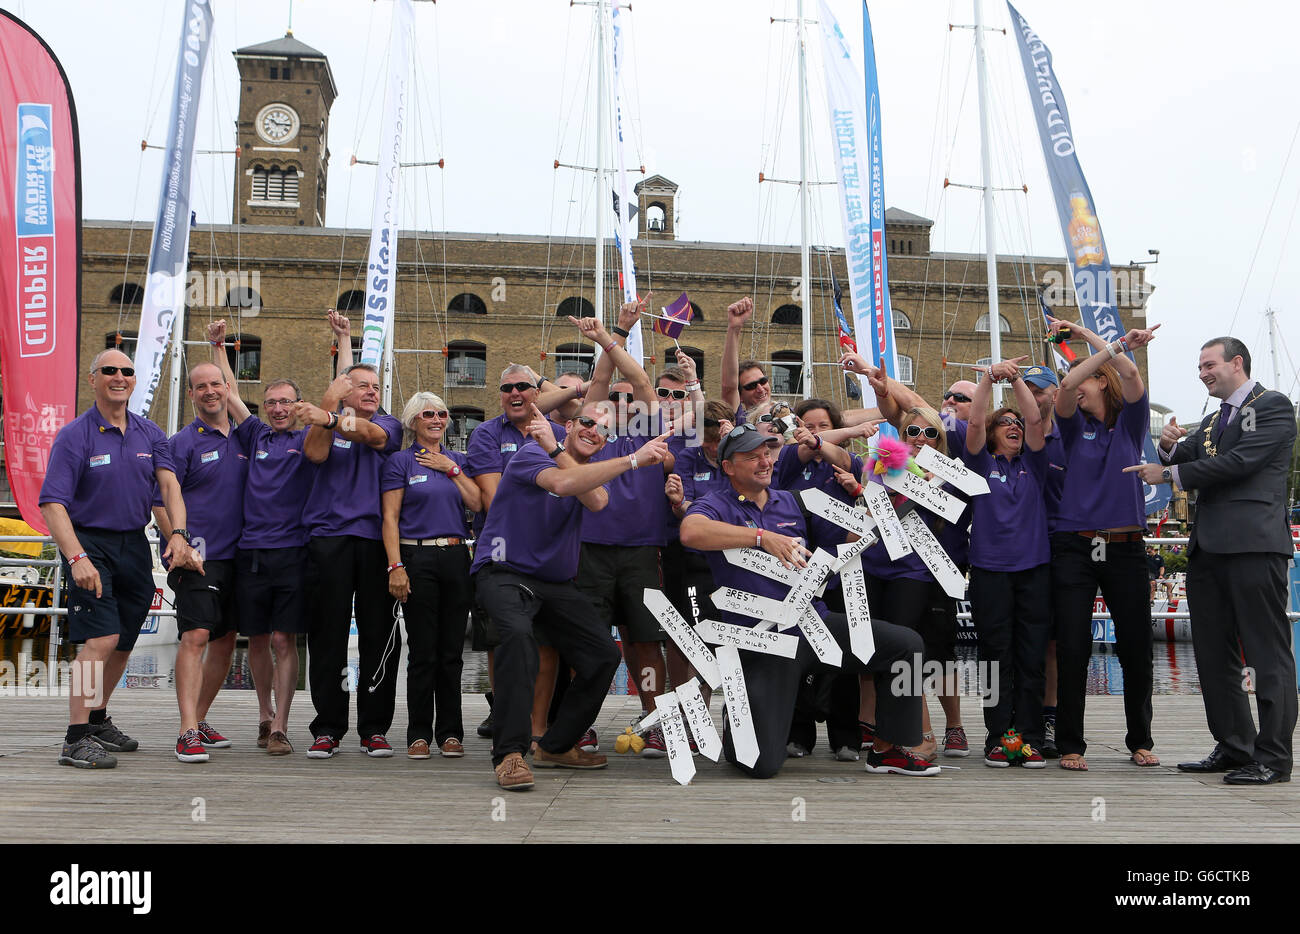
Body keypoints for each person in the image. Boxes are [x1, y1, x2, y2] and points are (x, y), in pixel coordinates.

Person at [680, 422, 938, 779]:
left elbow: (845, 540)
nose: (764, 461)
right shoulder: (715, 503)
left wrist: (888, 501)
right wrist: (760, 537)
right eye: (751, 457)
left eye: (767, 453)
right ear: (728, 467)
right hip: (763, 636)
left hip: (812, 622)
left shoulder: (793, 500)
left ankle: (888, 749)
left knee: (906, 644)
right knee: (761, 766)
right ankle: (738, 720)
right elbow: (691, 532)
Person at [472, 402, 669, 791]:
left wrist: (561, 451)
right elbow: (561, 484)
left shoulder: (585, 471)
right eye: (588, 422)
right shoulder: (531, 452)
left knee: (603, 655)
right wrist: (632, 459)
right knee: (516, 638)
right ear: (570, 424)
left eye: (603, 431)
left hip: (555, 582)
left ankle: (557, 745)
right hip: (505, 571)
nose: (594, 431)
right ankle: (511, 753)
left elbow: (595, 499)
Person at [1140, 337, 1297, 785]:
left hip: (1254, 546)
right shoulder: (1213, 421)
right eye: (1199, 367)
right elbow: (1187, 456)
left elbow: (1241, 463)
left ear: (1237, 363)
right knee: (1213, 655)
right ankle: (1234, 745)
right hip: (1207, 551)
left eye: (1209, 364)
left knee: (1268, 656)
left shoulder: (1273, 406)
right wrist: (1169, 447)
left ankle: (1273, 758)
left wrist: (1168, 473)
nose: (1203, 372)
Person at [40, 349, 201, 768]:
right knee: (99, 640)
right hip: (89, 543)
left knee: (124, 641)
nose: (119, 376)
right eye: (109, 370)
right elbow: (53, 504)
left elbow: (169, 490)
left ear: (134, 381)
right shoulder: (76, 435)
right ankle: (75, 739)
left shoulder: (150, 433)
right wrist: (76, 557)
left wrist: (180, 536)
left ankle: (96, 719)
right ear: (92, 379)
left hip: (134, 543)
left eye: (127, 371)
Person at [1049, 316, 1161, 772]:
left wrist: (1117, 349)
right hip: (1076, 547)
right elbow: (1068, 381)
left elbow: (1131, 376)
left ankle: (1140, 740)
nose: (1079, 386)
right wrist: (1097, 340)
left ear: (1105, 383)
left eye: (1092, 379)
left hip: (1126, 547)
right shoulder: (1073, 426)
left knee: (1136, 646)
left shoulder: (1131, 426)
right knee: (1073, 646)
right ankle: (1071, 744)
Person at [207, 318, 322, 757]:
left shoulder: (311, 440)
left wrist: (342, 342)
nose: (276, 409)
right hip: (249, 553)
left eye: (285, 402)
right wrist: (219, 347)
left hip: (293, 552)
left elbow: (337, 400)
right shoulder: (254, 433)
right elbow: (232, 394)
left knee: (282, 640)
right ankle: (262, 713)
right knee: (255, 639)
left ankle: (282, 725)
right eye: (271, 402)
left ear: (298, 405)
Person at [571, 307, 677, 755]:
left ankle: (654, 722)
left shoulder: (649, 434)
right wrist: (606, 340)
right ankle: (578, 725)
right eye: (611, 399)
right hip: (589, 550)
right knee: (588, 643)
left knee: (645, 642)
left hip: (639, 552)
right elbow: (598, 385)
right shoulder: (587, 436)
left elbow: (646, 384)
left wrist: (618, 336)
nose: (618, 403)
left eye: (625, 399)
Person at [152, 355, 260, 763]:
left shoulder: (245, 437)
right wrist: (178, 543)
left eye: (217, 384)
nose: (211, 391)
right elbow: (158, 500)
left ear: (226, 389)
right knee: (195, 636)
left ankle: (198, 718)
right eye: (201, 387)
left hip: (240, 556)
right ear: (192, 394)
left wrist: (220, 350)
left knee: (225, 642)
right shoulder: (181, 443)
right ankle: (186, 731)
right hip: (197, 556)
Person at [295, 363, 403, 759]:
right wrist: (328, 414)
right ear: (345, 391)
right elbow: (314, 451)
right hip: (328, 540)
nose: (373, 391)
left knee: (379, 637)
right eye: (363, 386)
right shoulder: (329, 424)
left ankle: (374, 729)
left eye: (376, 386)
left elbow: (373, 436)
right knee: (327, 637)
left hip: (376, 544)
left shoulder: (389, 424)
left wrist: (328, 414)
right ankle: (328, 728)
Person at [464, 364, 568, 740]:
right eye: (507, 388)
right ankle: (504, 713)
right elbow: (494, 498)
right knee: (501, 641)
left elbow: (572, 487)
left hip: (548, 555)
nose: (515, 393)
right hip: (502, 552)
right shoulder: (485, 433)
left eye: (523, 386)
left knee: (546, 643)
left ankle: (538, 727)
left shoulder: (559, 434)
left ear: (537, 393)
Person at [382, 392, 481, 759]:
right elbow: (389, 517)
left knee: (452, 652)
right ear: (413, 421)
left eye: (442, 413)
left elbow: (476, 503)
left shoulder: (457, 460)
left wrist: (450, 469)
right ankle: (419, 733)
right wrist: (396, 566)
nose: (437, 419)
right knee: (423, 651)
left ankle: (451, 732)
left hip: (456, 555)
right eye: (428, 414)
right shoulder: (400, 462)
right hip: (416, 555)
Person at [963, 359, 1051, 768]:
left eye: (1017, 422)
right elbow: (976, 425)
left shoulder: (1034, 463)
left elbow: (1035, 422)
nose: (1015, 426)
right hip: (989, 571)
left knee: (1031, 655)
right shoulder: (980, 466)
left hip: (1034, 569)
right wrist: (986, 379)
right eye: (1006, 423)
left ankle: (1029, 739)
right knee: (996, 655)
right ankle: (999, 738)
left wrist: (1015, 379)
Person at [1023, 363, 1067, 758]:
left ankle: (1050, 716)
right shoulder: (1008, 436)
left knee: (1053, 641)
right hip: (1018, 551)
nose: (1033, 396)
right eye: (1025, 389)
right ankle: (1020, 717)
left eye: (1039, 389)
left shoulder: (1069, 435)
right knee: (1023, 639)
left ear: (1056, 392)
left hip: (1061, 547)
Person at [720, 297, 770, 420]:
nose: (760, 388)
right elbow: (729, 387)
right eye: (751, 386)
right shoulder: (741, 420)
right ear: (740, 396)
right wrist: (734, 328)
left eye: (763, 381)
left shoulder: (791, 415)